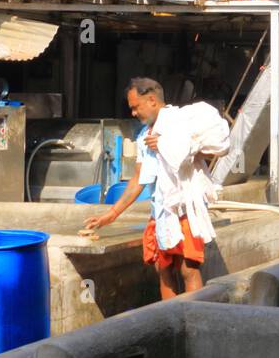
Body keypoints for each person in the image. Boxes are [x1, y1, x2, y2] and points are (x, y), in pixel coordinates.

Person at [84, 78, 230, 300]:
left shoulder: (179, 122)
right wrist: (110, 215)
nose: (133, 113)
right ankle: (169, 323)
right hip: (159, 210)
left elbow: (210, 150)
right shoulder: (144, 136)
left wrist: (168, 144)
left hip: (183, 209)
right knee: (163, 269)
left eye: (135, 107)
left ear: (151, 100)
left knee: (188, 269)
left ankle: (195, 318)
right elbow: (138, 180)